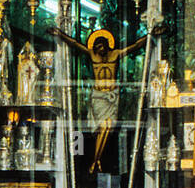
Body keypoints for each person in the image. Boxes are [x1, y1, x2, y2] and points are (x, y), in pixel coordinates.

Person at [55, 27, 150, 173]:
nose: (100, 51)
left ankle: (96, 160)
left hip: (112, 97)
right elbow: (74, 44)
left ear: (107, 45)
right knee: (102, 128)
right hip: (98, 97)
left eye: (102, 47)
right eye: (97, 48)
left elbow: (136, 46)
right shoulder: (92, 54)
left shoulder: (116, 54)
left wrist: (150, 34)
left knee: (108, 127)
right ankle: (95, 161)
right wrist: (60, 34)